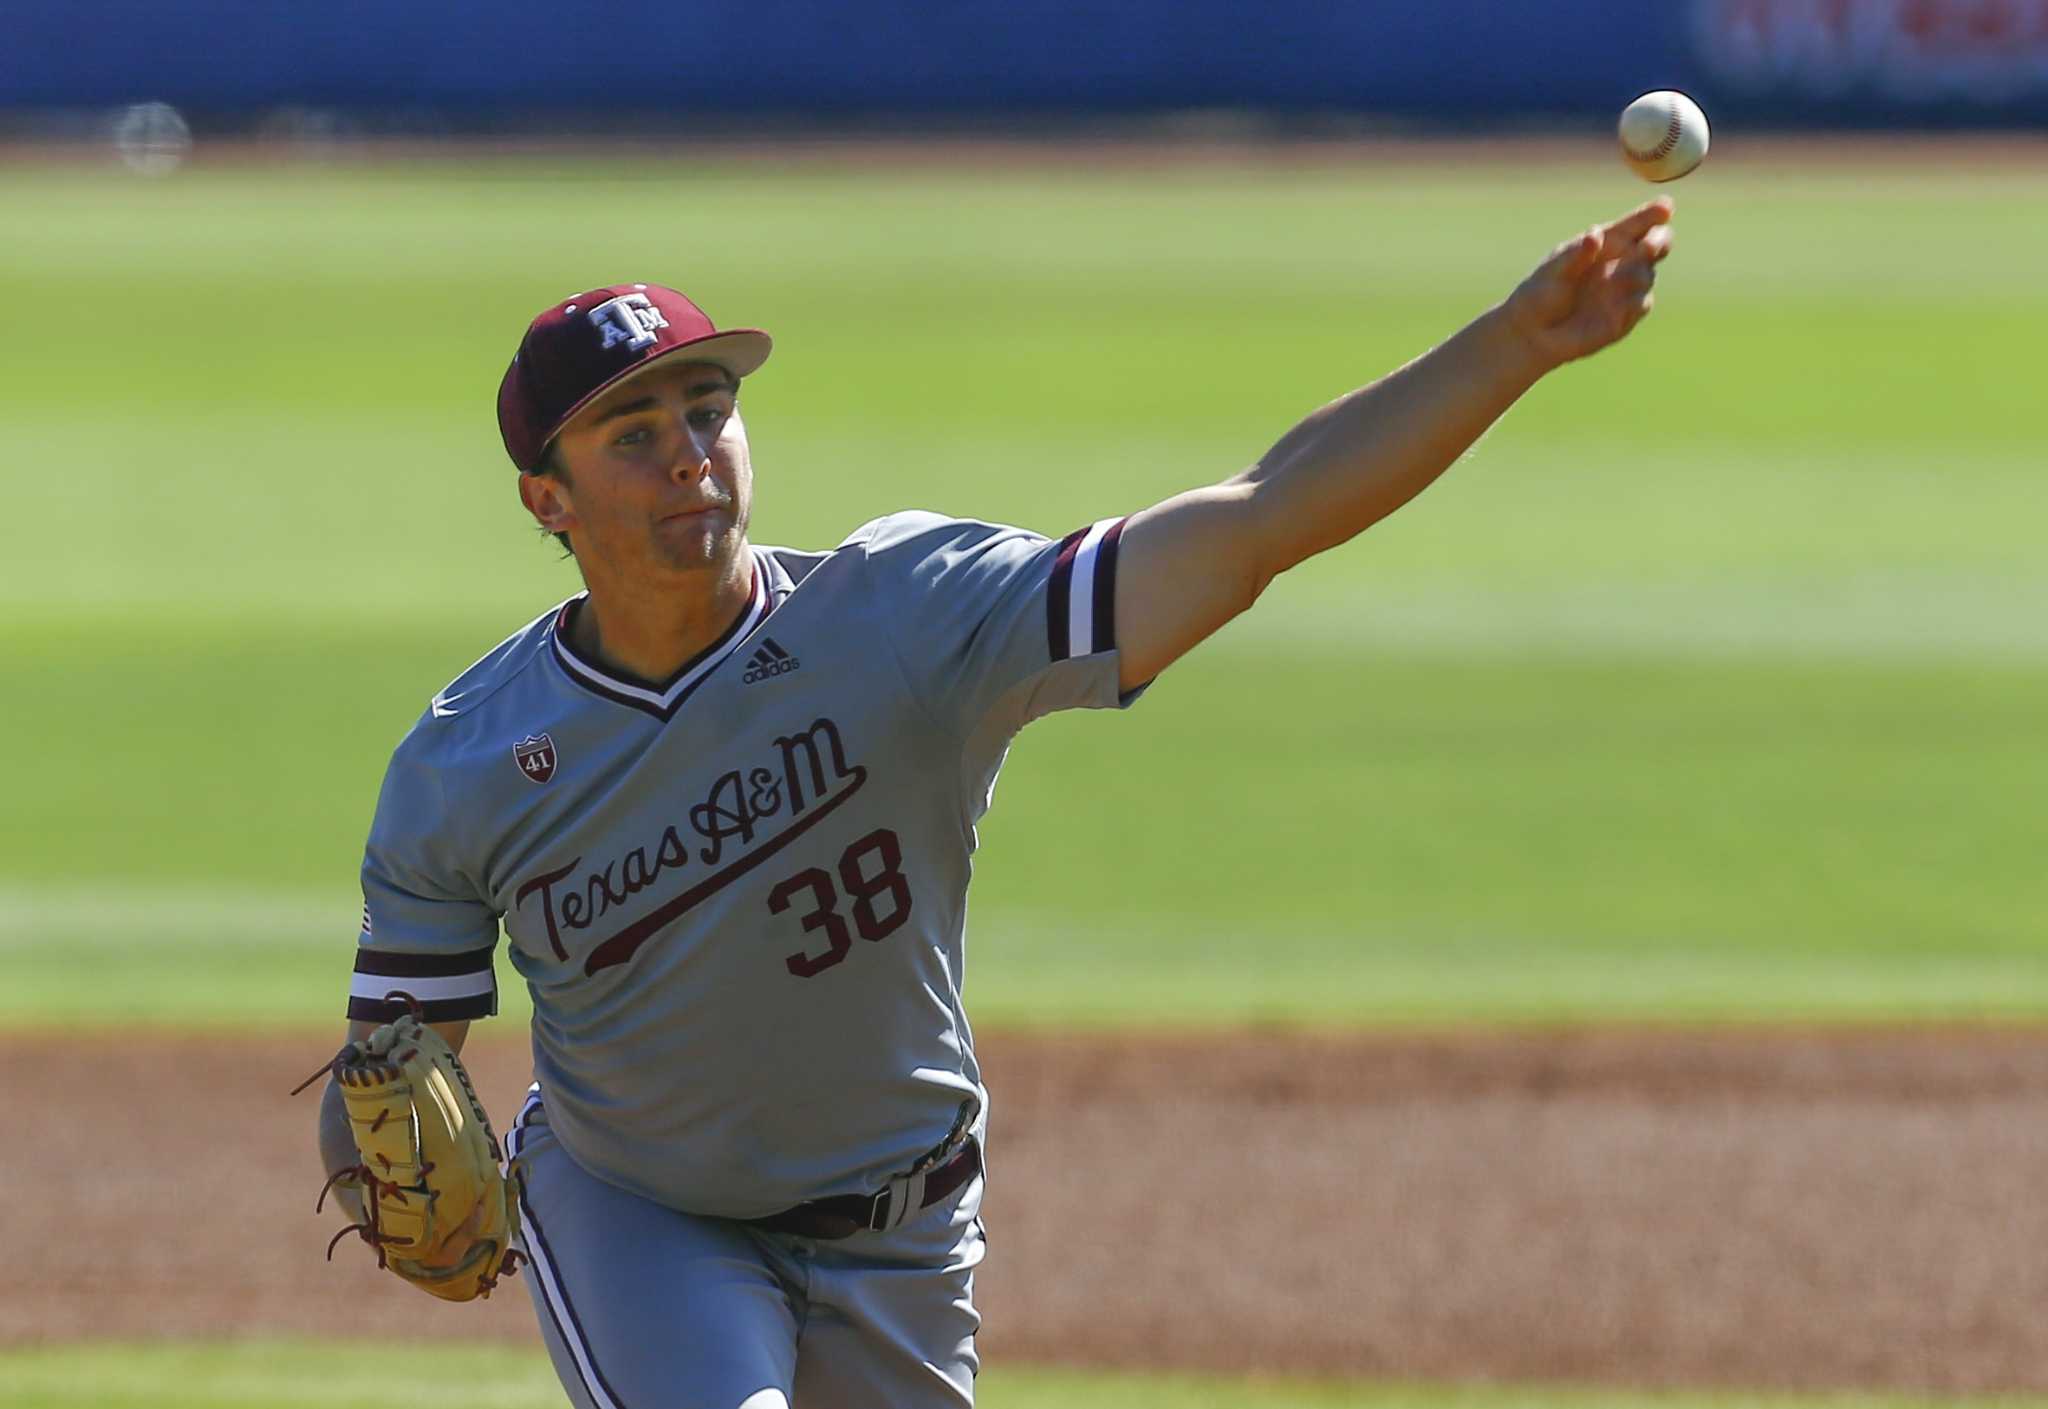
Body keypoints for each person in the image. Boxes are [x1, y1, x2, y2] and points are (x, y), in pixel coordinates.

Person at [319, 198, 1675, 1409]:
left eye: (708, 408)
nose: (691, 451)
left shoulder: (904, 616)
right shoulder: (469, 762)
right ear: (544, 498)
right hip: (642, 1214)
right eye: (636, 430)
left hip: (907, 1229)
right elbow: (386, 1054)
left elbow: (1255, 523)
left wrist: (1511, 347)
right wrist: (375, 1164)